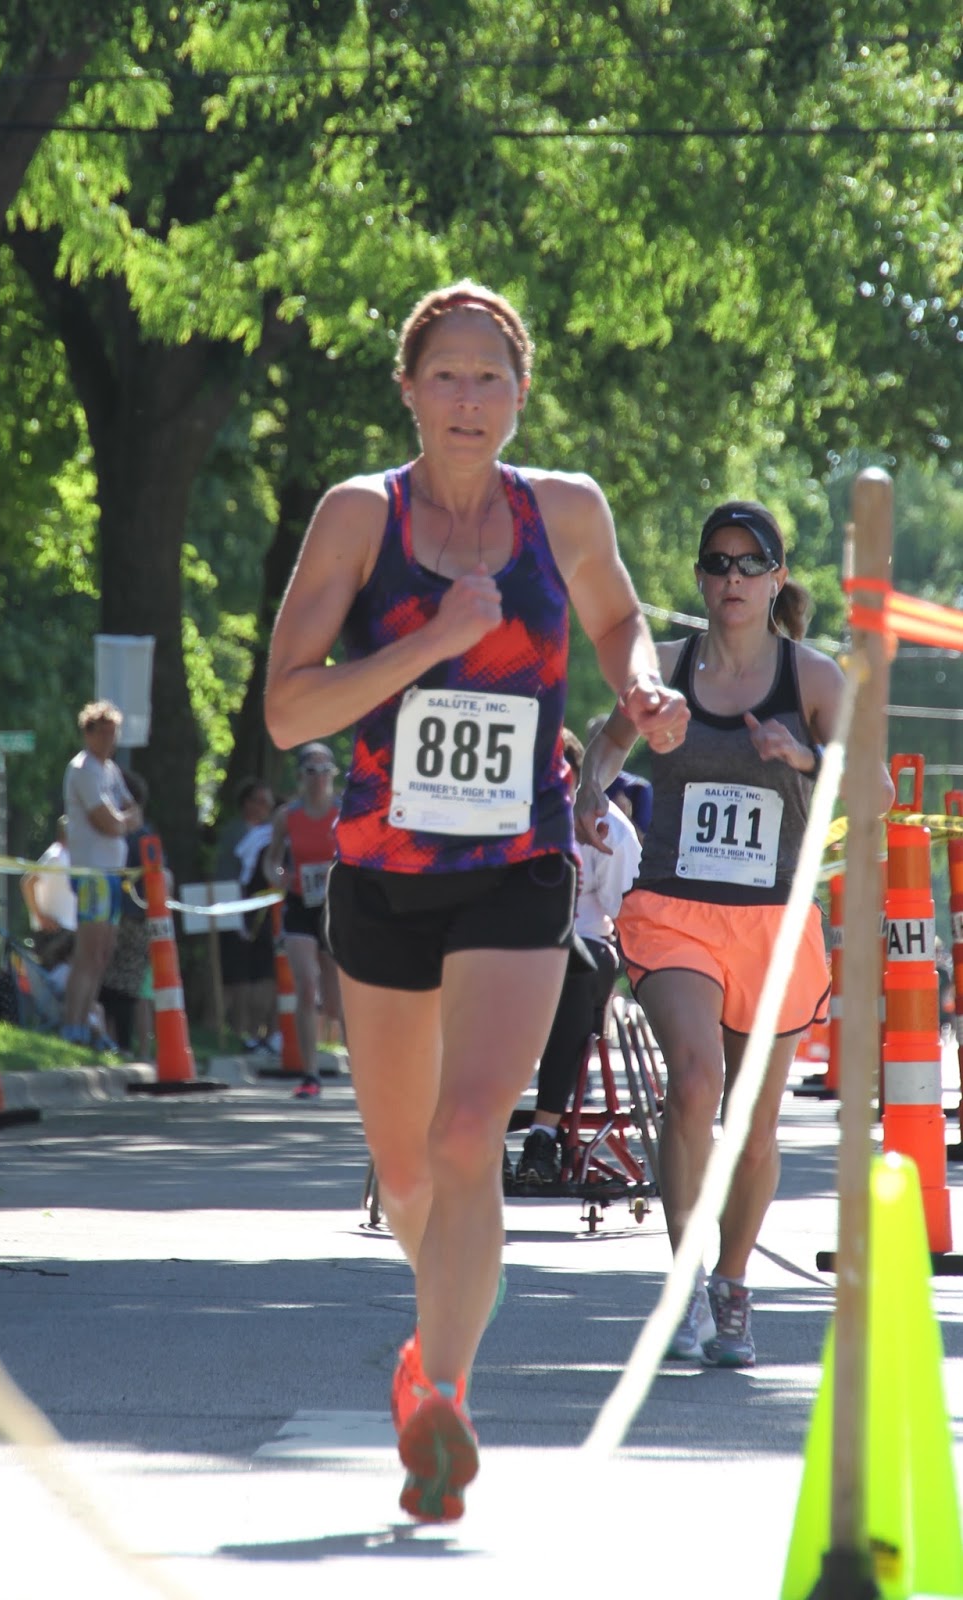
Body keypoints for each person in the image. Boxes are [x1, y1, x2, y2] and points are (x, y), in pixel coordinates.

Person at [264, 280, 688, 1523]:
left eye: (488, 378)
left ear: (520, 392)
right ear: (406, 388)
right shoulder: (359, 517)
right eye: (443, 375)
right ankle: (427, 1344)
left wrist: (646, 691)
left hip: (518, 864)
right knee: (405, 1176)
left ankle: (441, 1397)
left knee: (468, 1139)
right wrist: (431, 642)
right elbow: (292, 707)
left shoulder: (563, 509)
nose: (466, 399)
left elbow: (618, 625)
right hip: (385, 876)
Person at [576, 499, 892, 1368]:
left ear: (777, 577)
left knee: (753, 1128)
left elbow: (876, 798)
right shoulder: (666, 670)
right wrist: (589, 801)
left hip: (774, 923)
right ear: (701, 579)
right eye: (715, 564)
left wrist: (804, 759)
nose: (731, 580)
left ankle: (731, 1283)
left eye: (749, 564)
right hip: (674, 911)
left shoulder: (816, 680)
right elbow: (602, 753)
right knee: (694, 1079)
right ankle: (683, 1286)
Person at [513, 728, 642, 1186]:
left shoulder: (606, 826)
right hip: (510, 949)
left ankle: (543, 1134)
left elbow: (628, 911)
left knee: (574, 960)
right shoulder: (505, 819)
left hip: (583, 945)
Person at [263, 744, 342, 1099]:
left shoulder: (345, 811)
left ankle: (364, 1073)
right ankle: (310, 1074)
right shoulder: (287, 816)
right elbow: (272, 859)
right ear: (300, 776)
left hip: (337, 906)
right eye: (311, 771)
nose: (318, 778)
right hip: (299, 904)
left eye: (325, 770)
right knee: (306, 987)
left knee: (337, 1000)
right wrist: (277, 875)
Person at [61, 700, 141, 1048]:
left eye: (114, 734)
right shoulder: (83, 769)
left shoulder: (110, 771)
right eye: (104, 733)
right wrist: (122, 822)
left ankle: (87, 1020)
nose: (110, 741)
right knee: (88, 951)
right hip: (92, 872)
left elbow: (132, 811)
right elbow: (105, 820)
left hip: (112, 873)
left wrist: (122, 821)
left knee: (104, 953)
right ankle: (72, 1024)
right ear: (88, 733)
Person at [218, 778, 279, 1053]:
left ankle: (260, 1031)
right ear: (246, 803)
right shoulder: (234, 833)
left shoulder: (273, 834)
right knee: (236, 975)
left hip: (266, 914)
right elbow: (228, 873)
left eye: (269, 802)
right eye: (260, 801)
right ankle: (234, 1030)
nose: (265, 807)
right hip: (234, 909)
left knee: (263, 973)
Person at [99, 770, 156, 1058]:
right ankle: (119, 1044)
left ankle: (122, 1044)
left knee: (123, 987)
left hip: (131, 918)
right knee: (119, 985)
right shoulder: (138, 834)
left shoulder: (136, 836)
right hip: (125, 917)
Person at [20, 815, 76, 971]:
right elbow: (28, 882)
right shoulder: (55, 856)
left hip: (65, 931)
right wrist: (39, 916)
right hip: (52, 933)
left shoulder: (67, 856)